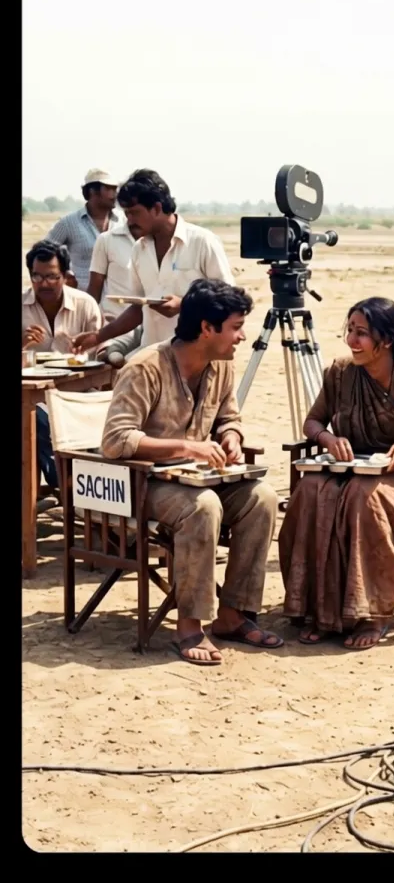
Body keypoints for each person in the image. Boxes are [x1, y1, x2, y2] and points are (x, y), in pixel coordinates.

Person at [101, 279, 281, 667]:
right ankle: (189, 625)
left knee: (262, 498)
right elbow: (116, 440)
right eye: (235, 327)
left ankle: (233, 614)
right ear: (206, 328)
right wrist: (186, 447)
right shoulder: (145, 368)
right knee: (203, 508)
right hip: (144, 483)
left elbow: (229, 417)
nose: (241, 337)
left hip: (199, 479)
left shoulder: (221, 367)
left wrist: (231, 437)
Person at [278, 297, 394, 650]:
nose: (352, 340)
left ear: (388, 339)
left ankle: (375, 613)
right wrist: (327, 437)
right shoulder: (339, 371)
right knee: (308, 491)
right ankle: (320, 611)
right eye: (349, 330)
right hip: (350, 466)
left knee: (365, 499)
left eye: (362, 333)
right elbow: (312, 421)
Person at [72, 168, 234, 358]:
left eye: (134, 213)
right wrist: (98, 336)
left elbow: (228, 300)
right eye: (126, 214)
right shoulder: (140, 250)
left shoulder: (202, 242)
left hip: (198, 357)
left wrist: (184, 305)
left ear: (157, 208)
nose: (129, 221)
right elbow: (138, 308)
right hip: (153, 356)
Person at [22, 240, 103, 494]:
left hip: (78, 394)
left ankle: (72, 482)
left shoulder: (85, 304)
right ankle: (63, 480)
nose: (43, 283)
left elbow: (99, 355)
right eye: (37, 276)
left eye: (51, 277)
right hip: (33, 398)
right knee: (37, 416)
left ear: (66, 276)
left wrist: (84, 353)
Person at [46, 169, 122, 289]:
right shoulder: (69, 223)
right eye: (109, 189)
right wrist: (63, 275)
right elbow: (44, 251)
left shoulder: (123, 222)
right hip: (81, 298)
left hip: (116, 302)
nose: (114, 194)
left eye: (115, 189)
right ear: (93, 191)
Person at [87, 217, 143, 367]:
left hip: (150, 328)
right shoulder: (107, 240)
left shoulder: (159, 242)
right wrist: (93, 332)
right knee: (113, 360)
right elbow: (94, 289)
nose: (132, 215)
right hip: (115, 328)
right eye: (128, 210)